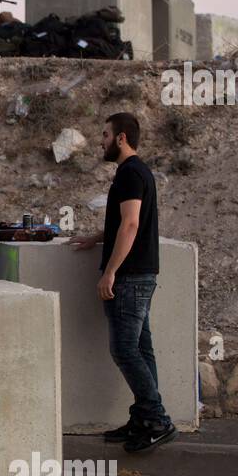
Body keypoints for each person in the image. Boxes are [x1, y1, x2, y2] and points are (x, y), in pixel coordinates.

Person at [70, 113, 176, 453]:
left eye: (104, 134)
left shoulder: (130, 173)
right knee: (142, 348)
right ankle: (145, 418)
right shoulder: (137, 172)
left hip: (129, 277)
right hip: (141, 274)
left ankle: (157, 419)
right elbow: (126, 223)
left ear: (121, 138)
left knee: (125, 349)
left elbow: (130, 226)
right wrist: (95, 237)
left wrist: (110, 271)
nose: (100, 141)